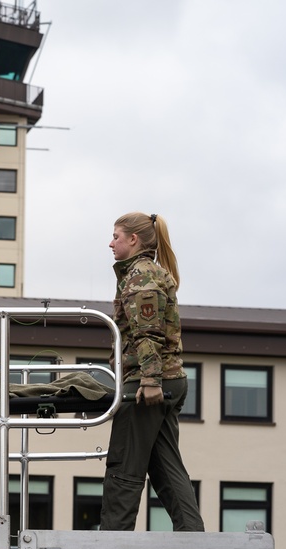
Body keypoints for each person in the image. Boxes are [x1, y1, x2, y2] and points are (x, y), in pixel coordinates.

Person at [100, 212, 204, 531]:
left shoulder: (140, 275)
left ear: (134, 239)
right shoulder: (146, 272)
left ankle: (112, 544)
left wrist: (149, 380)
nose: (110, 243)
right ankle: (194, 541)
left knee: (125, 466)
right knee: (166, 468)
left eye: (116, 236)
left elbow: (147, 332)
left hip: (150, 384)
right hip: (167, 380)